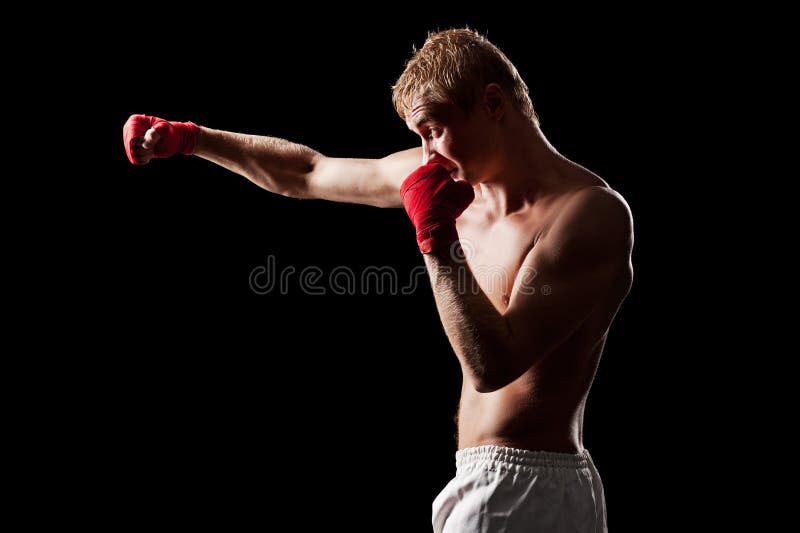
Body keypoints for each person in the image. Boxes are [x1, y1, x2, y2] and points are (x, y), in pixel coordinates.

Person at [123, 28, 632, 533]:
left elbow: (494, 365)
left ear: (493, 103)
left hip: (530, 487)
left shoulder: (588, 215)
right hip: (487, 480)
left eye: (433, 129)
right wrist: (194, 139)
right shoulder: (455, 177)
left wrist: (436, 239)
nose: (428, 155)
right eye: (420, 138)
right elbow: (308, 173)